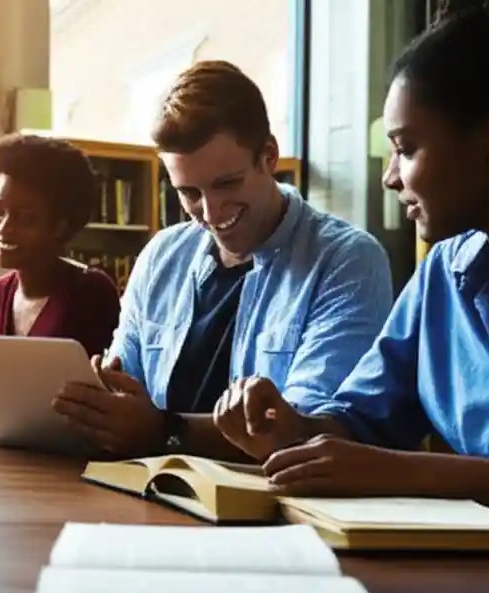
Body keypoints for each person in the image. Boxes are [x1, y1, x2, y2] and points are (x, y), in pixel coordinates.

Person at [214, 2, 489, 520]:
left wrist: (408, 472)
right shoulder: (444, 275)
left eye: (407, 148)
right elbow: (362, 421)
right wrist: (294, 432)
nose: (389, 178)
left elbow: (386, 464)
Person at [52, 60, 392, 460]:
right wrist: (103, 403)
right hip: (147, 491)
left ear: (268, 156)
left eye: (226, 184)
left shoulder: (347, 261)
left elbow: (302, 432)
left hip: (272, 511)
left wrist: (165, 432)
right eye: (189, 193)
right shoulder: (161, 256)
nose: (211, 213)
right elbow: (125, 385)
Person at [0, 134, 121, 397]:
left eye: (25, 218)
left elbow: (98, 390)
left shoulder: (90, 291)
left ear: (61, 225)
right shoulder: (1, 292)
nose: (3, 227)